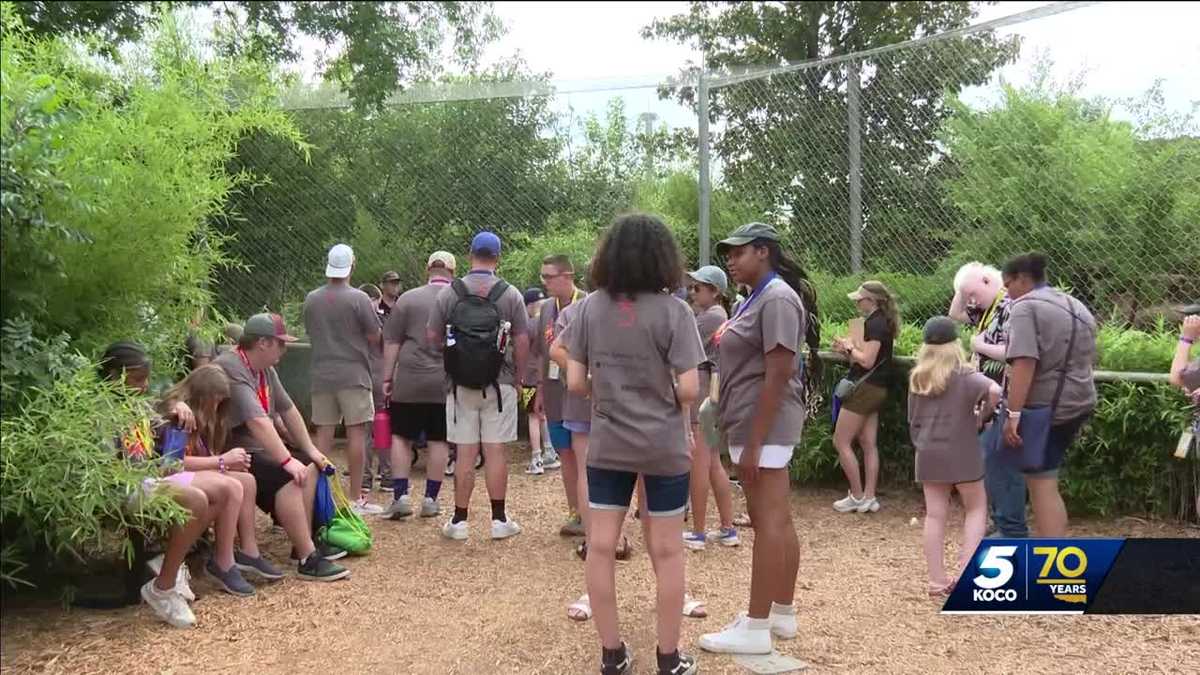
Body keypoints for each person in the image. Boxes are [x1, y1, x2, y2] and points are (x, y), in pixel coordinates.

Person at [566, 213, 703, 675]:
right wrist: (657, 389)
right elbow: (690, 389)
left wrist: (610, 390)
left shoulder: (589, 308)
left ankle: (612, 655)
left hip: (609, 443)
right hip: (663, 444)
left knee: (601, 545)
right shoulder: (675, 311)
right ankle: (669, 658)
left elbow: (575, 382)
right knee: (668, 550)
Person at [698, 222, 818, 656]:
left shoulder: (777, 298)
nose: (731, 260)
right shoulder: (756, 297)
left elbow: (780, 371)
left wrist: (753, 441)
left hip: (762, 425)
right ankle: (781, 612)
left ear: (764, 251)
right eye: (728, 254)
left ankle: (756, 626)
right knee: (778, 519)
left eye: (739, 252)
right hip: (755, 423)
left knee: (767, 522)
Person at [213, 313, 350, 581]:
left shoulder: (265, 369)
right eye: (281, 343)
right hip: (233, 452)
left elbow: (288, 409)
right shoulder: (231, 367)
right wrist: (287, 460)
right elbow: (256, 422)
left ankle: (303, 542)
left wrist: (311, 450)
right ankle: (308, 559)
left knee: (310, 466)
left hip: (257, 448)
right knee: (289, 475)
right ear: (263, 343)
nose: (284, 349)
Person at [427, 232, 530, 541]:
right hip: (500, 383)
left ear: (470, 255)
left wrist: (454, 357)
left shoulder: (450, 293)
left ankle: (459, 521)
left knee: (465, 453)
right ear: (497, 258)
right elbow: (523, 339)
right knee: (496, 451)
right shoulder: (510, 294)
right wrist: (519, 376)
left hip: (460, 384)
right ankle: (499, 520)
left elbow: (432, 337)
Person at [101, 342, 211, 628]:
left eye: (146, 378)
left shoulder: (137, 403)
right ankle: (163, 587)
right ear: (113, 375)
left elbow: (160, 414)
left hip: (152, 478)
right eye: (137, 379)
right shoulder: (101, 411)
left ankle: (169, 562)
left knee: (223, 489)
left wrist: (176, 407)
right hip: (126, 488)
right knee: (196, 499)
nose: (144, 385)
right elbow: (109, 471)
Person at [159, 365, 285, 595]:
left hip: (195, 474)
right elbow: (172, 463)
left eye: (220, 401)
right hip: (173, 477)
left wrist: (228, 463)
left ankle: (249, 552)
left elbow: (206, 456)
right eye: (214, 400)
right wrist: (221, 462)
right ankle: (223, 561)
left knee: (247, 481)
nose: (217, 406)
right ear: (201, 395)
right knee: (232, 486)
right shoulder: (180, 416)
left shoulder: (210, 419)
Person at [1001, 252, 1097, 538]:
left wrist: (1013, 414)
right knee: (1046, 477)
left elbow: (1024, 362)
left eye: (1008, 285)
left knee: (1041, 482)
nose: (1007, 292)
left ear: (1021, 279)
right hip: (1081, 400)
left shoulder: (1024, 307)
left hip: (1048, 408)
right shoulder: (1075, 304)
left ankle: (1050, 554)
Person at [908, 317, 1001, 596]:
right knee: (976, 508)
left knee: (935, 515)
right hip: (962, 450)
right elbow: (994, 390)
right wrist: (983, 415)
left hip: (928, 451)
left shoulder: (918, 377)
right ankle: (965, 576)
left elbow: (912, 419)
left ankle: (937, 581)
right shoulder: (965, 375)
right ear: (955, 345)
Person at [302, 244, 383, 514]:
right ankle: (354, 498)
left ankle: (318, 497)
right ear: (352, 265)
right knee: (356, 433)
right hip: (353, 374)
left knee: (323, 436)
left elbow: (311, 331)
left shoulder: (312, 299)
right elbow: (374, 336)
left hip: (321, 373)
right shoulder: (359, 299)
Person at [949, 262, 1027, 538]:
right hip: (989, 399)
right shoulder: (989, 307)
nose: (970, 301)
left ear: (986, 281)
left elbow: (1015, 351)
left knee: (1000, 462)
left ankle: (1011, 527)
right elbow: (955, 313)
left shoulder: (1009, 306)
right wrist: (962, 288)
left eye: (973, 293)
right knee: (989, 460)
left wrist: (980, 346)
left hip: (1005, 396)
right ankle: (1001, 518)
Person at [380, 252, 457, 520]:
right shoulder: (459, 299)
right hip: (444, 380)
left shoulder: (408, 299)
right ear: (452, 272)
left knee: (402, 436)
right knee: (439, 439)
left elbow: (392, 342)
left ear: (428, 270)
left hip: (410, 379)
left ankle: (400, 496)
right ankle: (431, 500)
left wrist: (387, 378)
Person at [830, 280, 899, 513]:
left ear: (872, 300)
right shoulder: (879, 321)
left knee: (841, 441)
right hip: (875, 386)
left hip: (865, 387)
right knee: (868, 443)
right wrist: (846, 349)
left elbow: (867, 361)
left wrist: (850, 347)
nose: (857, 304)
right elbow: (862, 359)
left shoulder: (875, 324)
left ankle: (857, 495)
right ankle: (869, 497)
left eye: (860, 300)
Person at [683, 265, 739, 551]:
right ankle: (727, 528)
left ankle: (698, 532)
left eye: (698, 288)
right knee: (713, 462)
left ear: (715, 292)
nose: (692, 292)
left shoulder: (712, 316)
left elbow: (680, 340)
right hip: (711, 391)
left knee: (700, 464)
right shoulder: (715, 314)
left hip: (704, 389)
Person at [532, 254, 582, 535]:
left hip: (581, 392)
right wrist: (539, 389)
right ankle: (575, 512)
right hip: (553, 392)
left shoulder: (586, 304)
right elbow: (542, 352)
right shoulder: (546, 309)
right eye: (543, 277)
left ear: (568, 276)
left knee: (584, 453)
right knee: (565, 452)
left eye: (549, 277)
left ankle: (592, 513)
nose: (545, 282)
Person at [358, 282, 393, 494]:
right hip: (380, 375)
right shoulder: (381, 320)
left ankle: (364, 478)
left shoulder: (352, 322)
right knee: (382, 424)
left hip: (359, 375)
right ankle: (387, 475)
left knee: (363, 428)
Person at [522, 286, 554, 475]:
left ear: (529, 305)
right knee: (544, 415)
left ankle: (536, 458)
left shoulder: (528, 325)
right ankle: (550, 452)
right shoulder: (550, 322)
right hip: (548, 376)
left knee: (533, 416)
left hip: (530, 376)